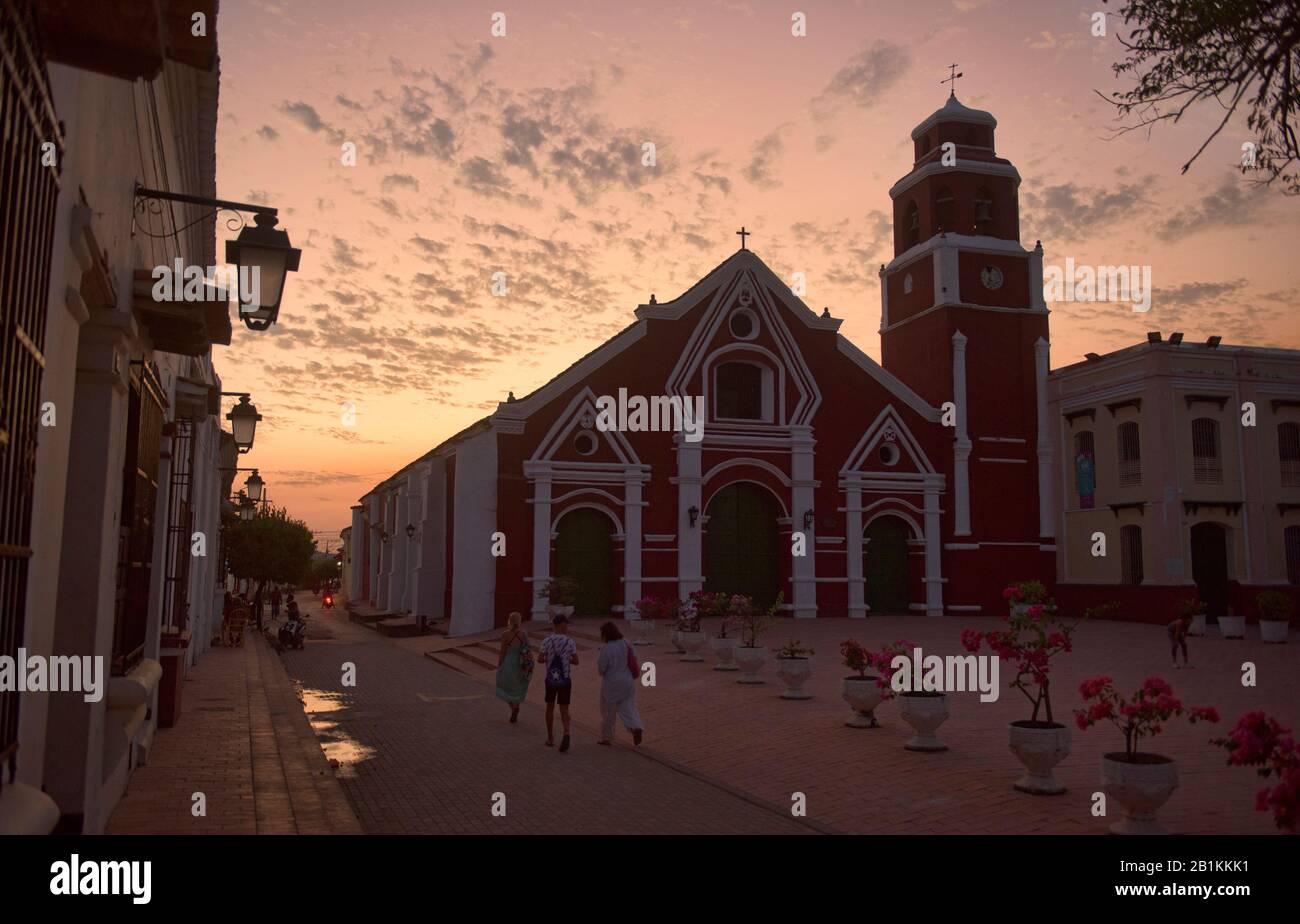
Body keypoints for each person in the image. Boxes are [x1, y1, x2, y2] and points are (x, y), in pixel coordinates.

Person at [596, 622, 644, 747]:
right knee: (629, 706)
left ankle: (607, 737)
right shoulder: (625, 643)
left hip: (611, 683)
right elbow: (634, 658)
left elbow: (601, 668)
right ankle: (635, 726)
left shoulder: (605, 649)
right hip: (627, 680)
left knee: (608, 711)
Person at [538, 613, 579, 752]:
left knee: (550, 707)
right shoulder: (570, 642)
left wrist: (550, 659)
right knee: (564, 709)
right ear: (560, 625)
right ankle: (566, 732)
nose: (567, 626)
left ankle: (550, 737)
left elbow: (540, 659)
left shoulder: (546, 641)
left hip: (550, 679)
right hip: (565, 679)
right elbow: (576, 661)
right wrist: (566, 660)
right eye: (565, 624)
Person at [495, 612, 533, 723]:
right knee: (517, 686)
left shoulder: (505, 634)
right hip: (520, 664)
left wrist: (500, 664)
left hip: (508, 662)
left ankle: (513, 707)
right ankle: (516, 705)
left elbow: (503, 651)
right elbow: (528, 648)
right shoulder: (523, 634)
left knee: (505, 686)